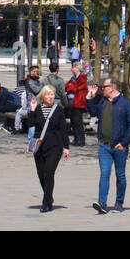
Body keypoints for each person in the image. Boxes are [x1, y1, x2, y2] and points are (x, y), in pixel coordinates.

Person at [86, 76, 130, 214]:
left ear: (112, 88)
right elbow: (93, 113)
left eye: (105, 87)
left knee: (120, 175)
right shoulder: (103, 101)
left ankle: (119, 203)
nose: (102, 89)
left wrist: (124, 143)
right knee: (104, 174)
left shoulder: (126, 104)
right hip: (104, 146)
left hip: (119, 146)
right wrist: (90, 98)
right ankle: (102, 203)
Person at [28, 85, 70, 213]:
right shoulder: (38, 109)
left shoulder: (58, 109)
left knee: (49, 173)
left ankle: (45, 202)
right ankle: (49, 197)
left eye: (52, 94)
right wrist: (32, 110)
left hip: (54, 146)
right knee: (41, 175)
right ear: (43, 96)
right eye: (48, 94)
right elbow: (30, 124)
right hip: (39, 146)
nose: (50, 97)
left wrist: (66, 147)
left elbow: (63, 129)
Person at [66, 62, 90, 145]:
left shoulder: (82, 78)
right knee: (73, 121)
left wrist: (71, 86)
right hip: (72, 102)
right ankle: (76, 139)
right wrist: (70, 86)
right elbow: (67, 86)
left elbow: (76, 88)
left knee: (78, 122)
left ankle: (81, 139)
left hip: (78, 102)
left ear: (78, 69)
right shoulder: (73, 78)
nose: (72, 69)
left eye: (74, 67)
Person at [16, 64, 43, 131]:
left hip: (36, 103)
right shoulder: (30, 81)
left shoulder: (36, 80)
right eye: (36, 71)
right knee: (32, 120)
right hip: (32, 104)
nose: (37, 73)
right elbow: (37, 90)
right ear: (31, 72)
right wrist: (43, 85)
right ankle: (18, 128)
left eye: (38, 71)